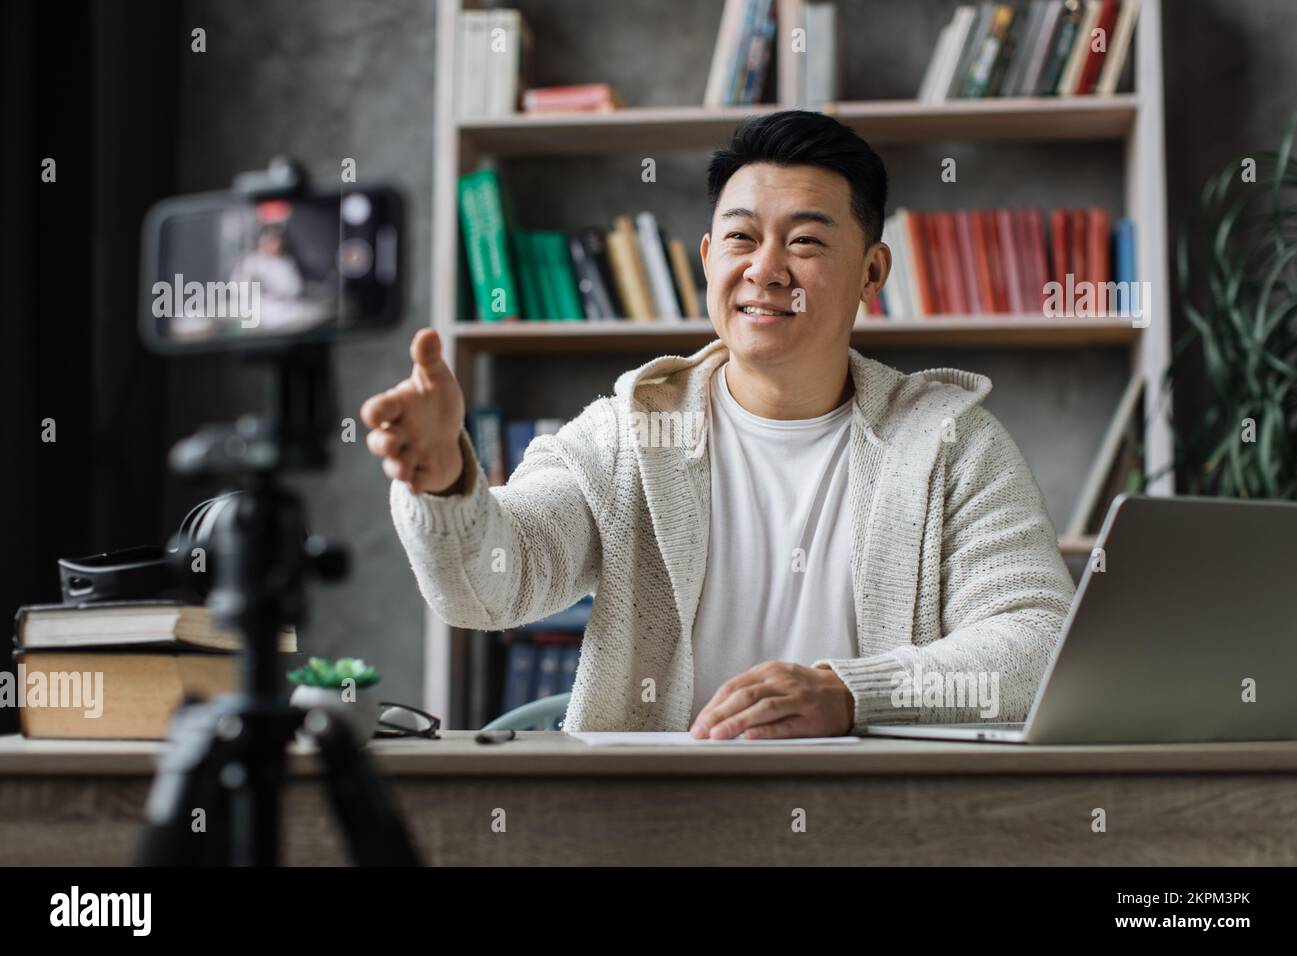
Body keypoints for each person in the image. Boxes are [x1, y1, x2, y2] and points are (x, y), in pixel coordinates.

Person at [360, 110, 1076, 738]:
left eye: (805, 242)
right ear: (708, 260)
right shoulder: (626, 436)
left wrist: (848, 693)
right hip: (659, 827)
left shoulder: (951, 443)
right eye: (741, 239)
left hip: (880, 824)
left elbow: (1038, 643)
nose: (765, 270)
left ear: (872, 272)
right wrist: (447, 485)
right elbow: (492, 587)